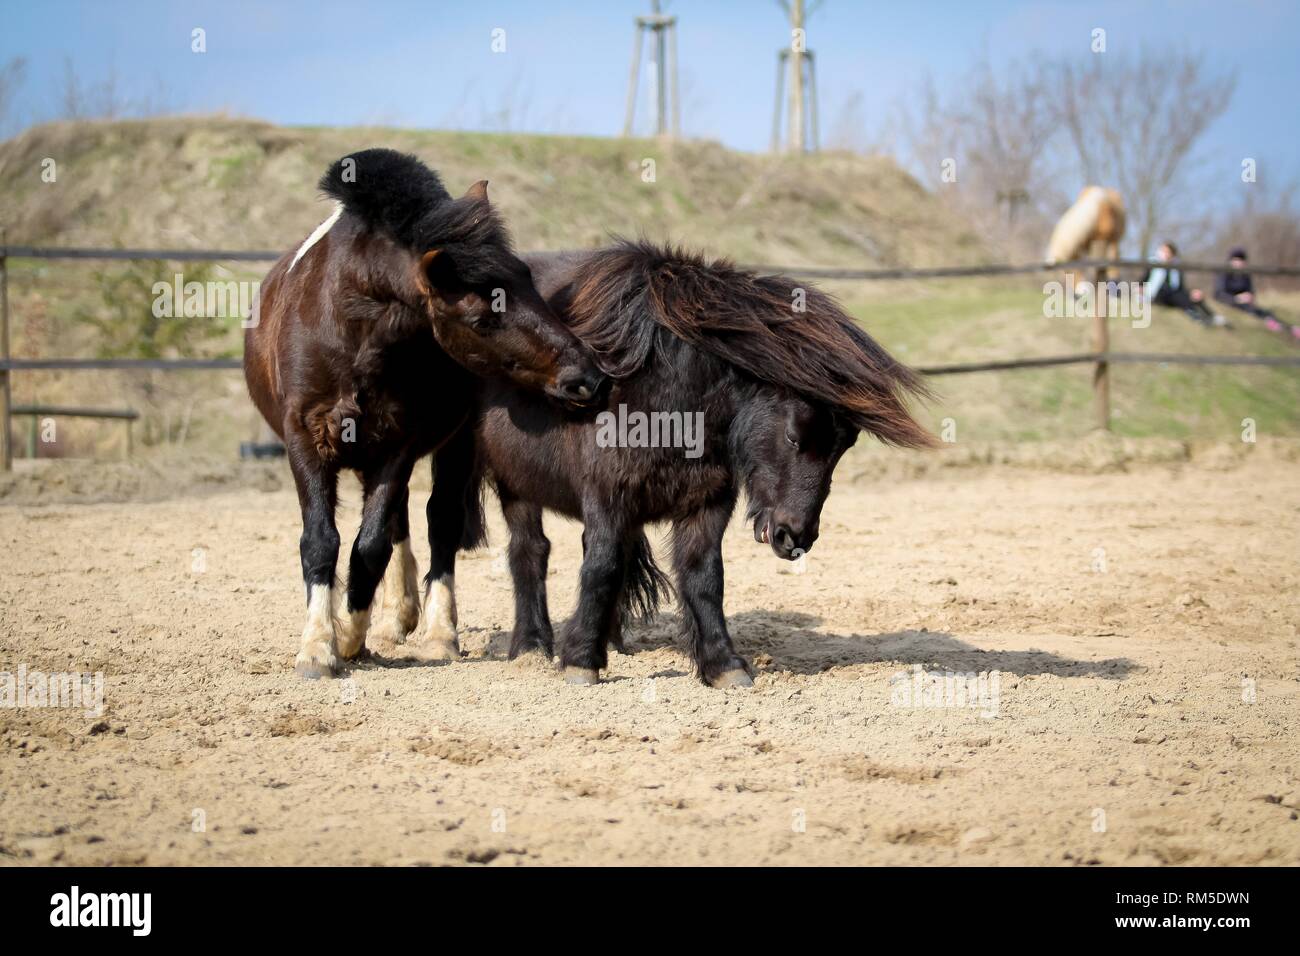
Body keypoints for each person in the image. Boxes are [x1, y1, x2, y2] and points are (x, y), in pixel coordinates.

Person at [1214, 247, 1300, 342]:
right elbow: (1219, 293)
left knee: (1266, 312)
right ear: (1231, 261)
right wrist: (1236, 298)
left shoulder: (1245, 275)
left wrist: (1250, 297)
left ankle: (1290, 328)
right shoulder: (1224, 274)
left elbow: (1251, 291)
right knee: (1254, 313)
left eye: (1242, 260)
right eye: (1237, 260)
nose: (1239, 262)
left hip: (1247, 304)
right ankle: (1275, 326)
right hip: (1232, 303)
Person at [1145, 241, 1227, 327]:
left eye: (1167, 252)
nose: (1164, 254)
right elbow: (1144, 279)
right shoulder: (1153, 264)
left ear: (1172, 254)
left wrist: (1191, 293)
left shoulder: (1176, 268)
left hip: (1174, 295)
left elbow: (1180, 287)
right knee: (1169, 291)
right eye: (1163, 251)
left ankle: (1211, 316)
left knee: (1192, 296)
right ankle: (1196, 315)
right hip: (1157, 295)